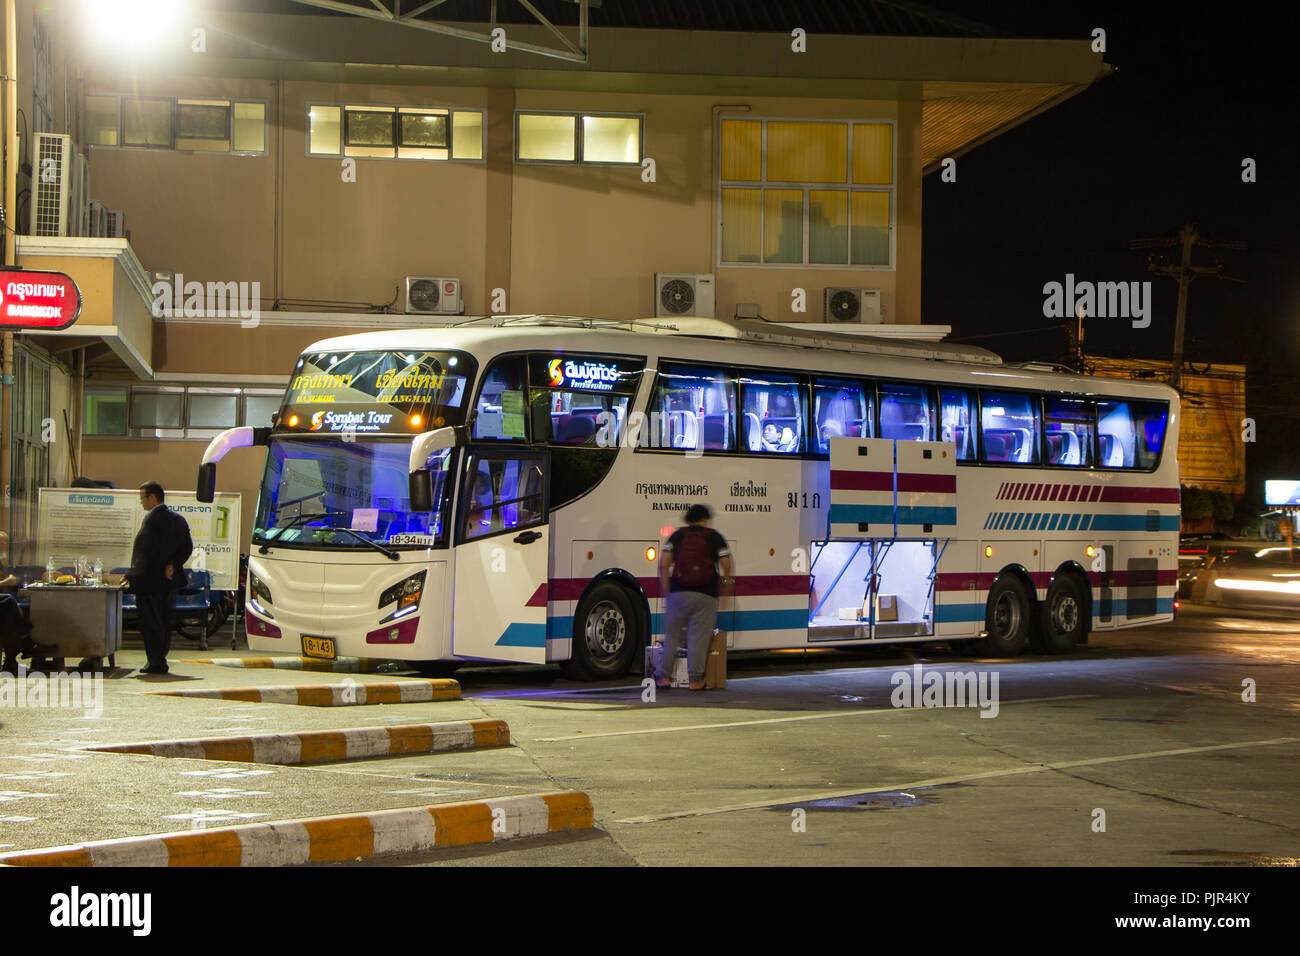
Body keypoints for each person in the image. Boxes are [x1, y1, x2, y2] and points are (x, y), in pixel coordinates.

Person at [657, 504, 732, 691]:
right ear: (705, 519)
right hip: (705, 595)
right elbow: (726, 564)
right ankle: (695, 681)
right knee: (698, 637)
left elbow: (664, 564)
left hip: (678, 593)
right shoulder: (714, 537)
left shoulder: (677, 536)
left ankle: (664, 678)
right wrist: (723, 585)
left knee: (672, 635)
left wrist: (668, 591)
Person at [127, 482, 193, 675]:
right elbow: (187, 547)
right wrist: (174, 564)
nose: (141, 503)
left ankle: (155, 661)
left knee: (150, 622)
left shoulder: (152, 520)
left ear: (153, 497)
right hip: (169, 581)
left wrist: (131, 575)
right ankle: (160, 659)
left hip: (149, 581)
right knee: (164, 621)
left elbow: (144, 553)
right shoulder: (178, 520)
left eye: (143, 498)